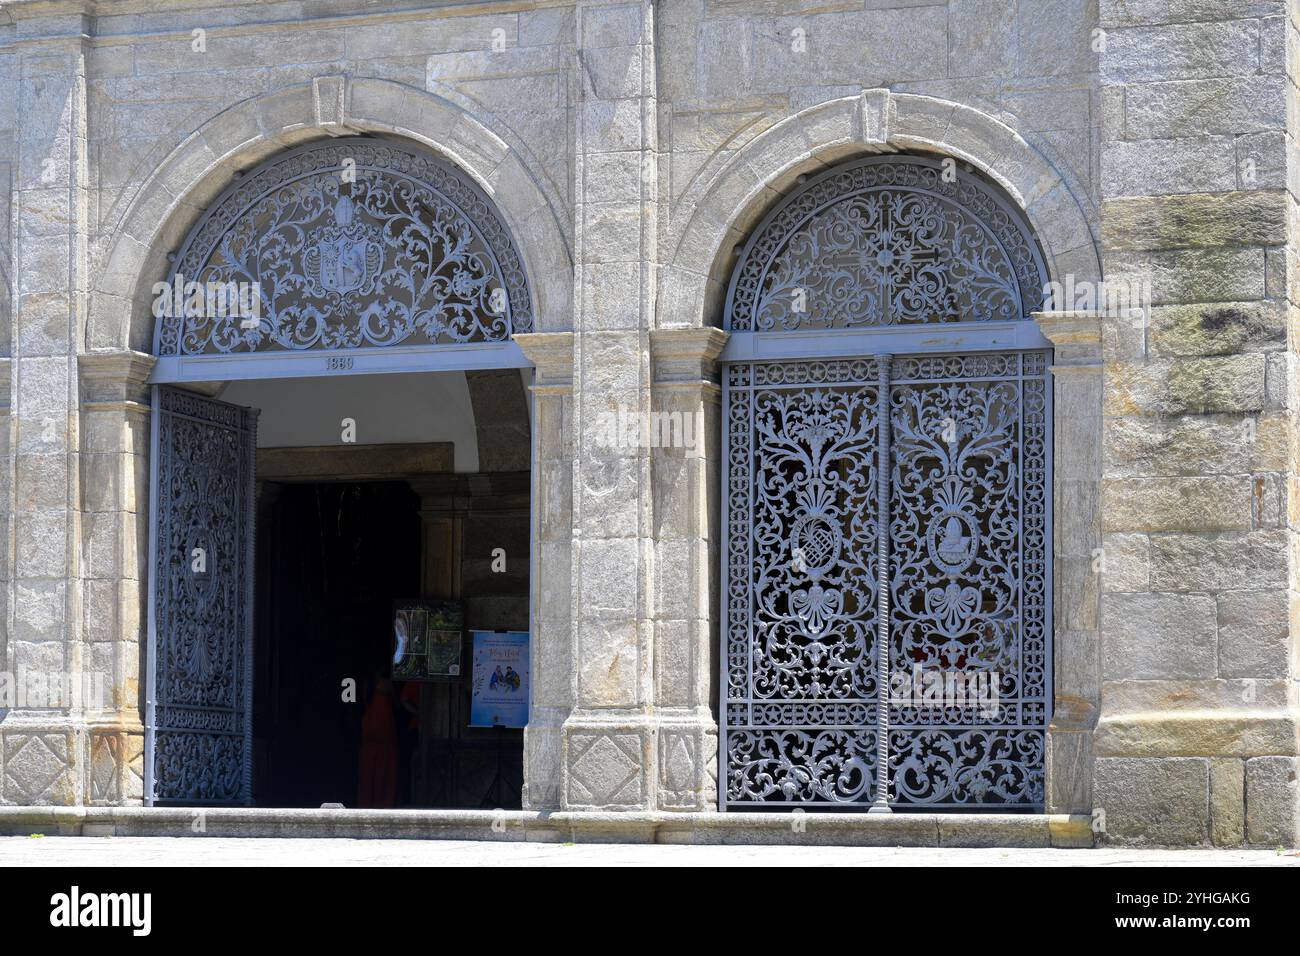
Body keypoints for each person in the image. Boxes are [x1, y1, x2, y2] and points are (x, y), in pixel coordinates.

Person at [357, 672, 398, 808]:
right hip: (383, 738)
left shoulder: (367, 686)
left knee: (368, 777)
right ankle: (381, 806)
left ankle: (366, 806)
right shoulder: (385, 685)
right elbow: (397, 702)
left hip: (370, 738)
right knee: (383, 776)